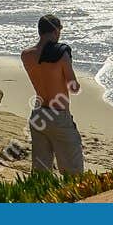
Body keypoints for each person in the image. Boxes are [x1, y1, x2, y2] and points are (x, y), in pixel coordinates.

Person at [20, 14, 83, 175]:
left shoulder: (26, 55)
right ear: (56, 31)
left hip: (38, 114)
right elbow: (73, 87)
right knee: (73, 170)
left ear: (40, 31)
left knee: (41, 171)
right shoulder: (62, 54)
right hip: (59, 116)